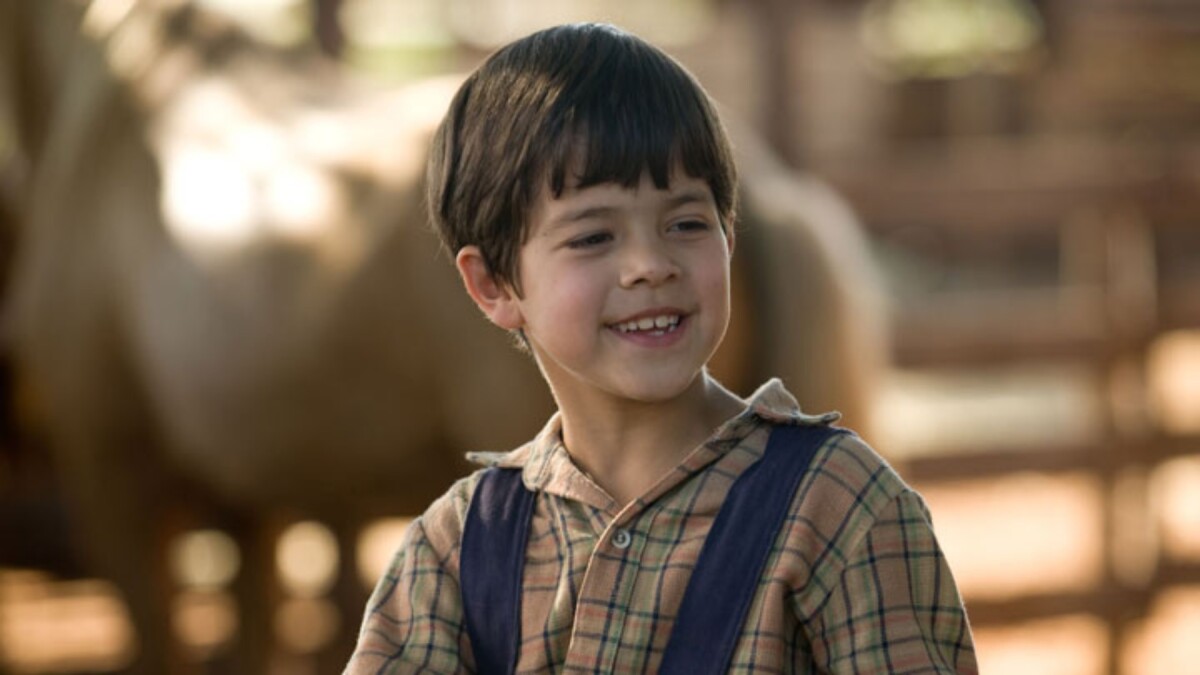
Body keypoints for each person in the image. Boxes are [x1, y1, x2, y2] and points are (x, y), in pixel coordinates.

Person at [345, 23, 976, 674]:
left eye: (685, 224)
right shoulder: (454, 550)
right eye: (593, 236)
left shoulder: (843, 512)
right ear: (493, 283)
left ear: (729, 240)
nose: (650, 263)